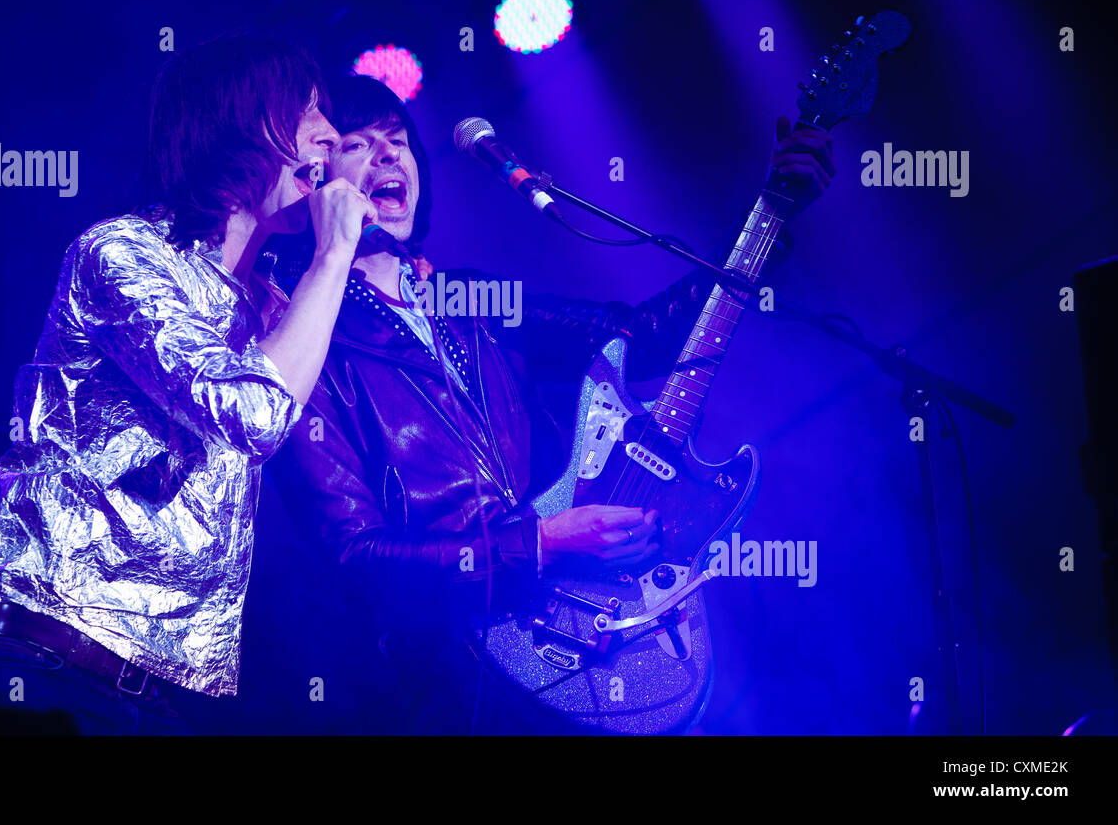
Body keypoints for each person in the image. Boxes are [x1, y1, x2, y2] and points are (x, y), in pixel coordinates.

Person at [267, 73, 834, 733]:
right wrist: (537, 545)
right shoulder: (305, 343)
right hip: (452, 672)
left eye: (399, 140)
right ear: (317, 180)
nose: (389, 155)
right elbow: (353, 556)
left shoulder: (470, 301)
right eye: (358, 144)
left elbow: (642, 338)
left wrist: (768, 220)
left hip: (582, 622)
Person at [0, 38, 375, 734]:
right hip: (41, 660)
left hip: (149, 690)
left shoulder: (268, 307)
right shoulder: (123, 253)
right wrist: (334, 255)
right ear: (232, 126)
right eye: (305, 112)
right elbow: (257, 414)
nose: (331, 134)